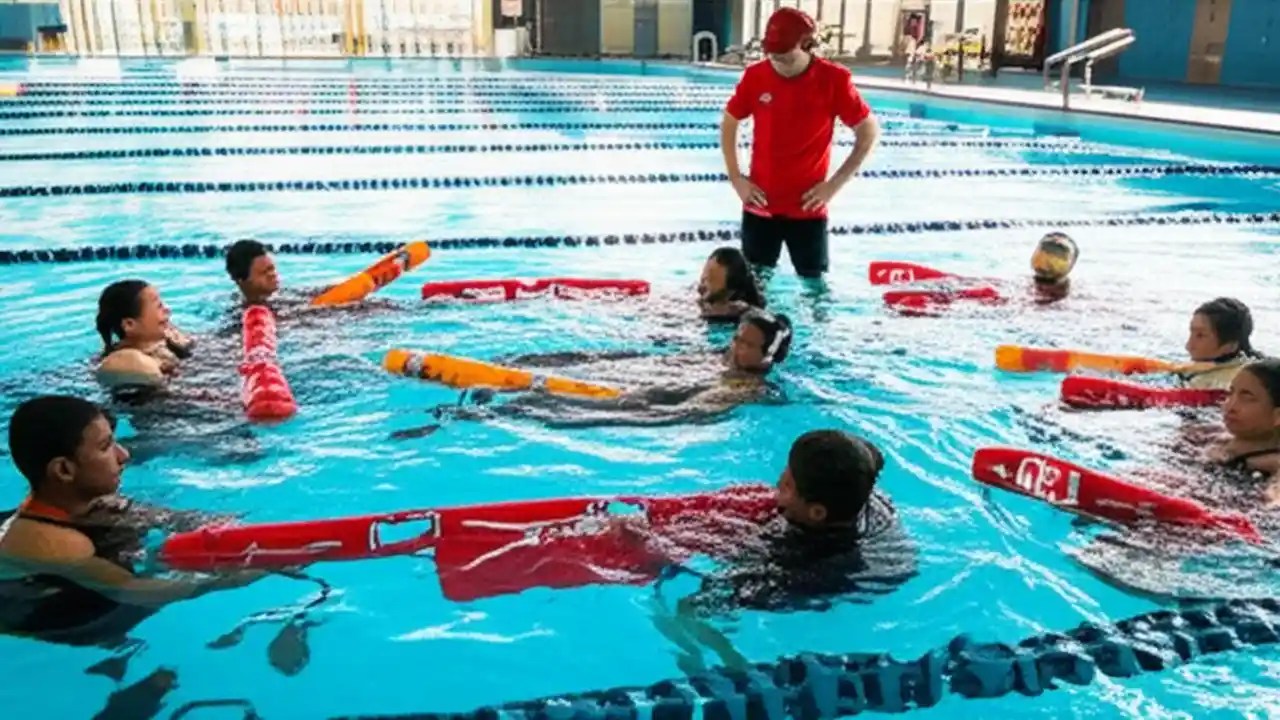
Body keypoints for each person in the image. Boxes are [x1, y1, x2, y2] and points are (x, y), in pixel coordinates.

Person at [0, 396, 258, 648]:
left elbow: (174, 520)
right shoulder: (52, 542)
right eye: (105, 447)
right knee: (118, 612)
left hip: (67, 573)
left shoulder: (91, 504)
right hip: (31, 611)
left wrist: (230, 531)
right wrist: (225, 580)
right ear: (64, 470)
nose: (124, 455)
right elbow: (131, 589)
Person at [408, 309, 796, 433]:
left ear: (767, 357)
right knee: (595, 365)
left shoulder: (746, 390)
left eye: (745, 344)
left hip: (652, 399)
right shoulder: (721, 359)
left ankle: (490, 412)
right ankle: (513, 375)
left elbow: (677, 413)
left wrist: (609, 411)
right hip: (654, 380)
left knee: (552, 402)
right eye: (736, 337)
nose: (734, 346)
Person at [720, 8, 882, 279]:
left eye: (784, 54)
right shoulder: (755, 76)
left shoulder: (834, 80)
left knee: (814, 291)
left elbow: (868, 132)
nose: (777, 60)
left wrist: (833, 185)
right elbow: (729, 122)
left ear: (807, 45)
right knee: (754, 290)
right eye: (772, 54)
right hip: (760, 206)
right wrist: (736, 178)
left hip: (808, 210)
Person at [95, 280, 195, 391]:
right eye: (159, 306)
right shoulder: (127, 363)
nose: (167, 310)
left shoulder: (168, 342)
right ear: (129, 324)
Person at [1181, 297, 1264, 389]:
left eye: (1200, 336)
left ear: (1230, 346)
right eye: (1191, 332)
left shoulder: (1226, 385)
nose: (1188, 346)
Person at [698, 246, 767, 321]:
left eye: (708, 281)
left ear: (729, 293)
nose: (699, 288)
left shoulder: (742, 311)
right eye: (703, 279)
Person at [225, 238, 281, 306]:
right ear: (241, 279)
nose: (273, 274)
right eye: (264, 272)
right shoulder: (235, 309)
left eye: (272, 268)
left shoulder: (289, 298)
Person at [1028, 232, 1078, 304]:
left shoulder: (1073, 296)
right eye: (1041, 260)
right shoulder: (1024, 285)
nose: (1046, 268)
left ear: (1070, 266)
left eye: (1056, 263)